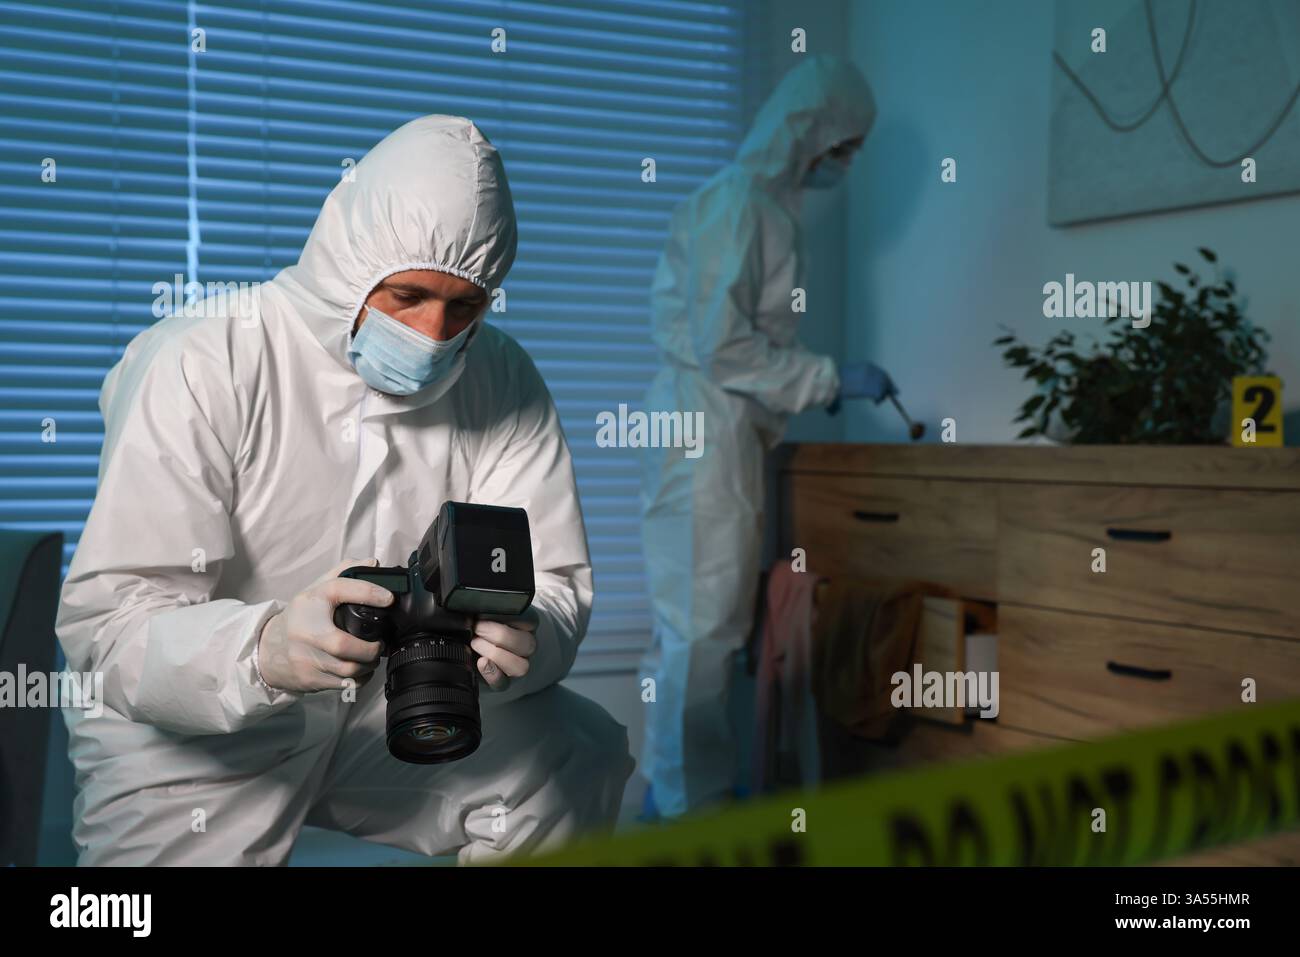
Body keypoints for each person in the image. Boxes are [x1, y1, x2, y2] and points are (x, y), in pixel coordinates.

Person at [56, 115, 634, 865]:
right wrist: (263, 649)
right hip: (192, 736)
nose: (434, 333)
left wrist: (523, 637)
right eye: (407, 295)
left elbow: (551, 582)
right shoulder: (202, 361)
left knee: (572, 751)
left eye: (466, 306)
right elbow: (113, 626)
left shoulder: (501, 377)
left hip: (383, 711)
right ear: (348, 262)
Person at [639, 55, 895, 818]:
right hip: (706, 430)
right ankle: (690, 810)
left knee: (697, 629)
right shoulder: (739, 205)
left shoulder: (756, 207)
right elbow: (726, 346)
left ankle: (673, 799)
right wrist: (828, 379)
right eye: (845, 145)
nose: (845, 163)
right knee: (703, 633)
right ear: (813, 134)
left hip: (715, 430)